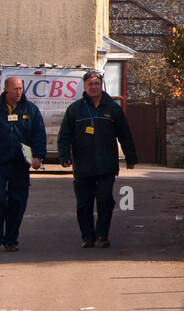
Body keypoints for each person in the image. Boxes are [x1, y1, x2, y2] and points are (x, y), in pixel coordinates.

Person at [57, 69, 137, 248]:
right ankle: (87, 236)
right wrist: (64, 157)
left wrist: (130, 158)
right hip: (83, 165)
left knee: (104, 199)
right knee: (84, 204)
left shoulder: (112, 109)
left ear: (101, 85)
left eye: (96, 84)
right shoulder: (75, 109)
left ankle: (102, 235)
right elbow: (64, 135)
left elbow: (124, 134)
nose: (93, 87)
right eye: (90, 84)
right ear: (84, 87)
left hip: (106, 165)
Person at [0, 75, 46, 252]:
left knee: (17, 202)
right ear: (6, 89)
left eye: (21, 88)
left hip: (20, 165)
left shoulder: (31, 110)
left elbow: (38, 135)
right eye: (15, 89)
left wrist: (38, 156)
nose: (19, 92)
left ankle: (11, 240)